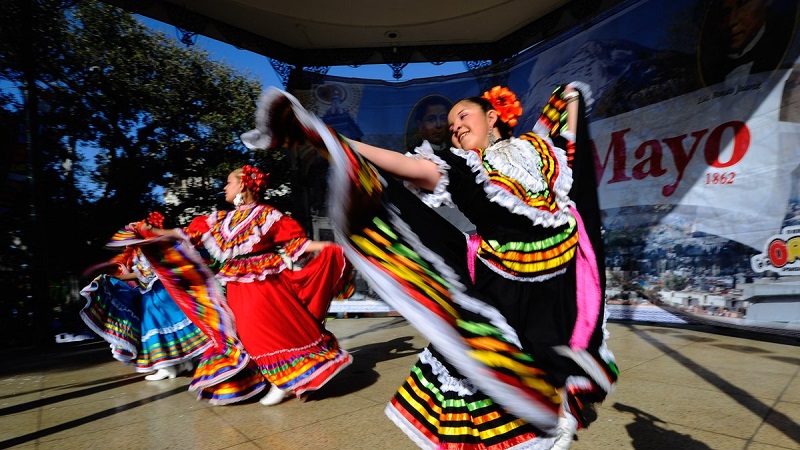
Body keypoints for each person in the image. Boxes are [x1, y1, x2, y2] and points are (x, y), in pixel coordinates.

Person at [242, 82, 617, 449]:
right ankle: (533, 431)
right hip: (505, 277)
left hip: (564, 268)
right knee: (496, 357)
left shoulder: (537, 145)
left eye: (463, 116)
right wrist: (329, 139)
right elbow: (408, 167)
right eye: (452, 126)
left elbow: (568, 124)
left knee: (564, 350)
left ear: (492, 116)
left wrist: (572, 93)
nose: (455, 127)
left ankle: (562, 414)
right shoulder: (460, 167)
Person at [135, 165, 354, 406]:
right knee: (248, 334)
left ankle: (281, 381)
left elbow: (296, 245)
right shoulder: (221, 219)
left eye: (228, 183)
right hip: (237, 284)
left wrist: (327, 248)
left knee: (264, 330)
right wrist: (155, 231)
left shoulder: (268, 215)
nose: (224, 187)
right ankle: (280, 379)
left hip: (265, 282)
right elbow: (186, 234)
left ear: (242, 185)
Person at [80, 212, 211, 381]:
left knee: (153, 325)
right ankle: (180, 363)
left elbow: (147, 272)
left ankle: (168, 366)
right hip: (155, 292)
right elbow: (139, 273)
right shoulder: (143, 249)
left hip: (158, 292)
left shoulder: (154, 247)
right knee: (166, 325)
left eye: (143, 225)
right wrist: (115, 278)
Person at [698, 0, 797, 86]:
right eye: (725, 12)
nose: (732, 21)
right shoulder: (713, 69)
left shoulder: (781, 53)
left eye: (743, 3)